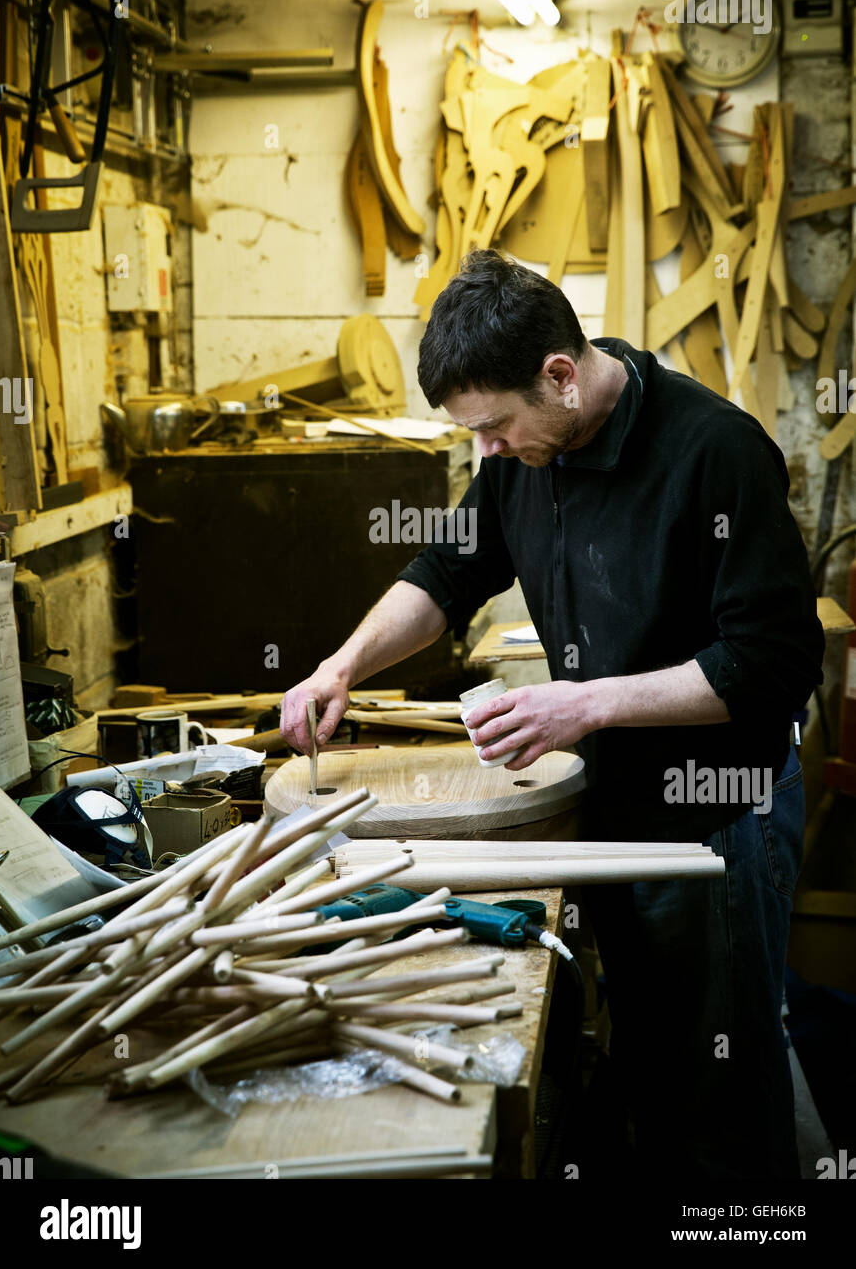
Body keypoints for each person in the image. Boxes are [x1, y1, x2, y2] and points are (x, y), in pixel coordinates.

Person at [281, 248, 824, 1179]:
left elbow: (772, 666)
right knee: (653, 1066)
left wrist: (585, 706)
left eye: (494, 428)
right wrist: (342, 665)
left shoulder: (716, 454)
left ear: (561, 376)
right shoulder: (522, 450)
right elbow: (449, 570)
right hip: (609, 811)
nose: (487, 452)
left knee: (722, 1090)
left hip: (712, 822)